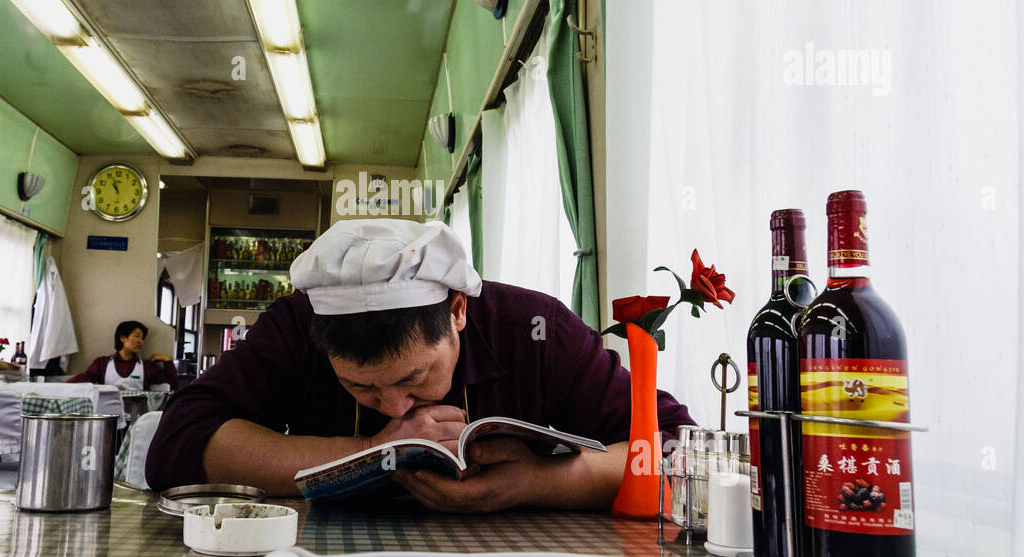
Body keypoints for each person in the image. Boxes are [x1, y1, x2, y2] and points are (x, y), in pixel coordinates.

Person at [145, 219, 694, 512]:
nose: (395, 406)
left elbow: (675, 446)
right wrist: (373, 452)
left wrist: (537, 483)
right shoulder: (294, 325)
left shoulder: (536, 330)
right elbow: (178, 444)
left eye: (412, 378)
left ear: (458, 311)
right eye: (358, 387)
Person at [68, 321, 178, 391]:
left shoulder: (147, 367)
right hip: (107, 415)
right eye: (136, 336)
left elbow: (172, 385)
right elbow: (85, 378)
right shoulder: (102, 363)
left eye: (142, 338)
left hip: (137, 417)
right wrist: (60, 386)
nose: (140, 341)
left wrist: (167, 361)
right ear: (122, 338)